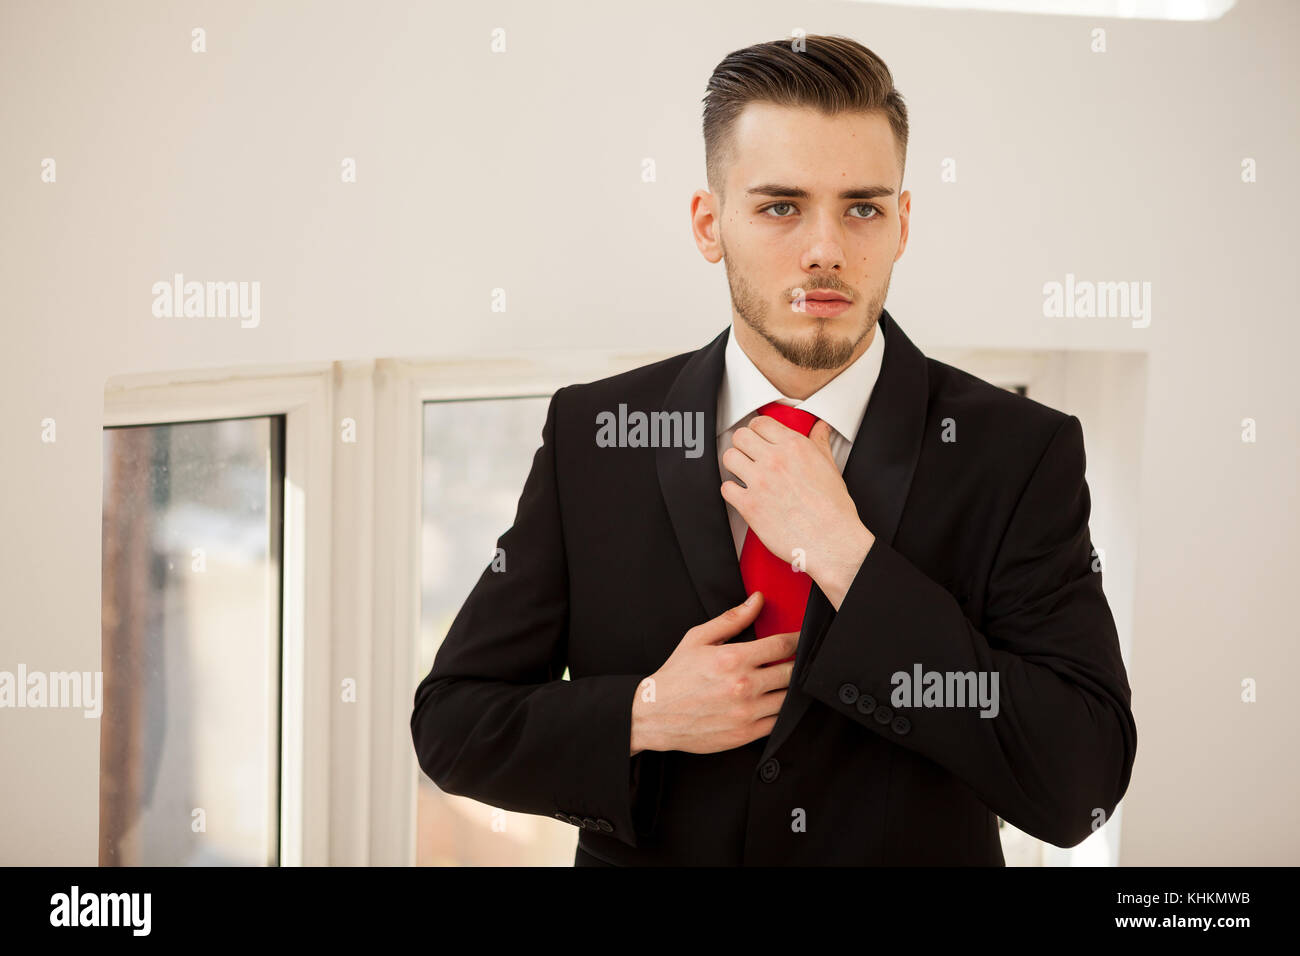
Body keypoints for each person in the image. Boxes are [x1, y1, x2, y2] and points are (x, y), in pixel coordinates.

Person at [410, 34, 1136, 865]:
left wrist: (850, 562)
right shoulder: (592, 435)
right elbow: (454, 722)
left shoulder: (1019, 453)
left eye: (861, 207)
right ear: (709, 223)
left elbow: (1082, 779)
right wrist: (644, 713)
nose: (825, 247)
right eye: (780, 206)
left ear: (902, 225)